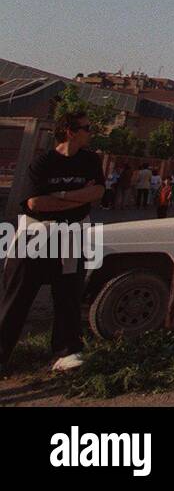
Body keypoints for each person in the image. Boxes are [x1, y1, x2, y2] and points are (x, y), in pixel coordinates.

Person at [0, 111, 104, 373]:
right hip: (35, 236)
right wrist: (77, 197)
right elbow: (35, 202)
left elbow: (97, 192)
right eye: (86, 127)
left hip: (71, 236)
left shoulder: (90, 161)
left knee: (68, 293)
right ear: (70, 131)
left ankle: (66, 351)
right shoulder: (43, 162)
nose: (90, 132)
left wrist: (61, 194)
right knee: (18, 295)